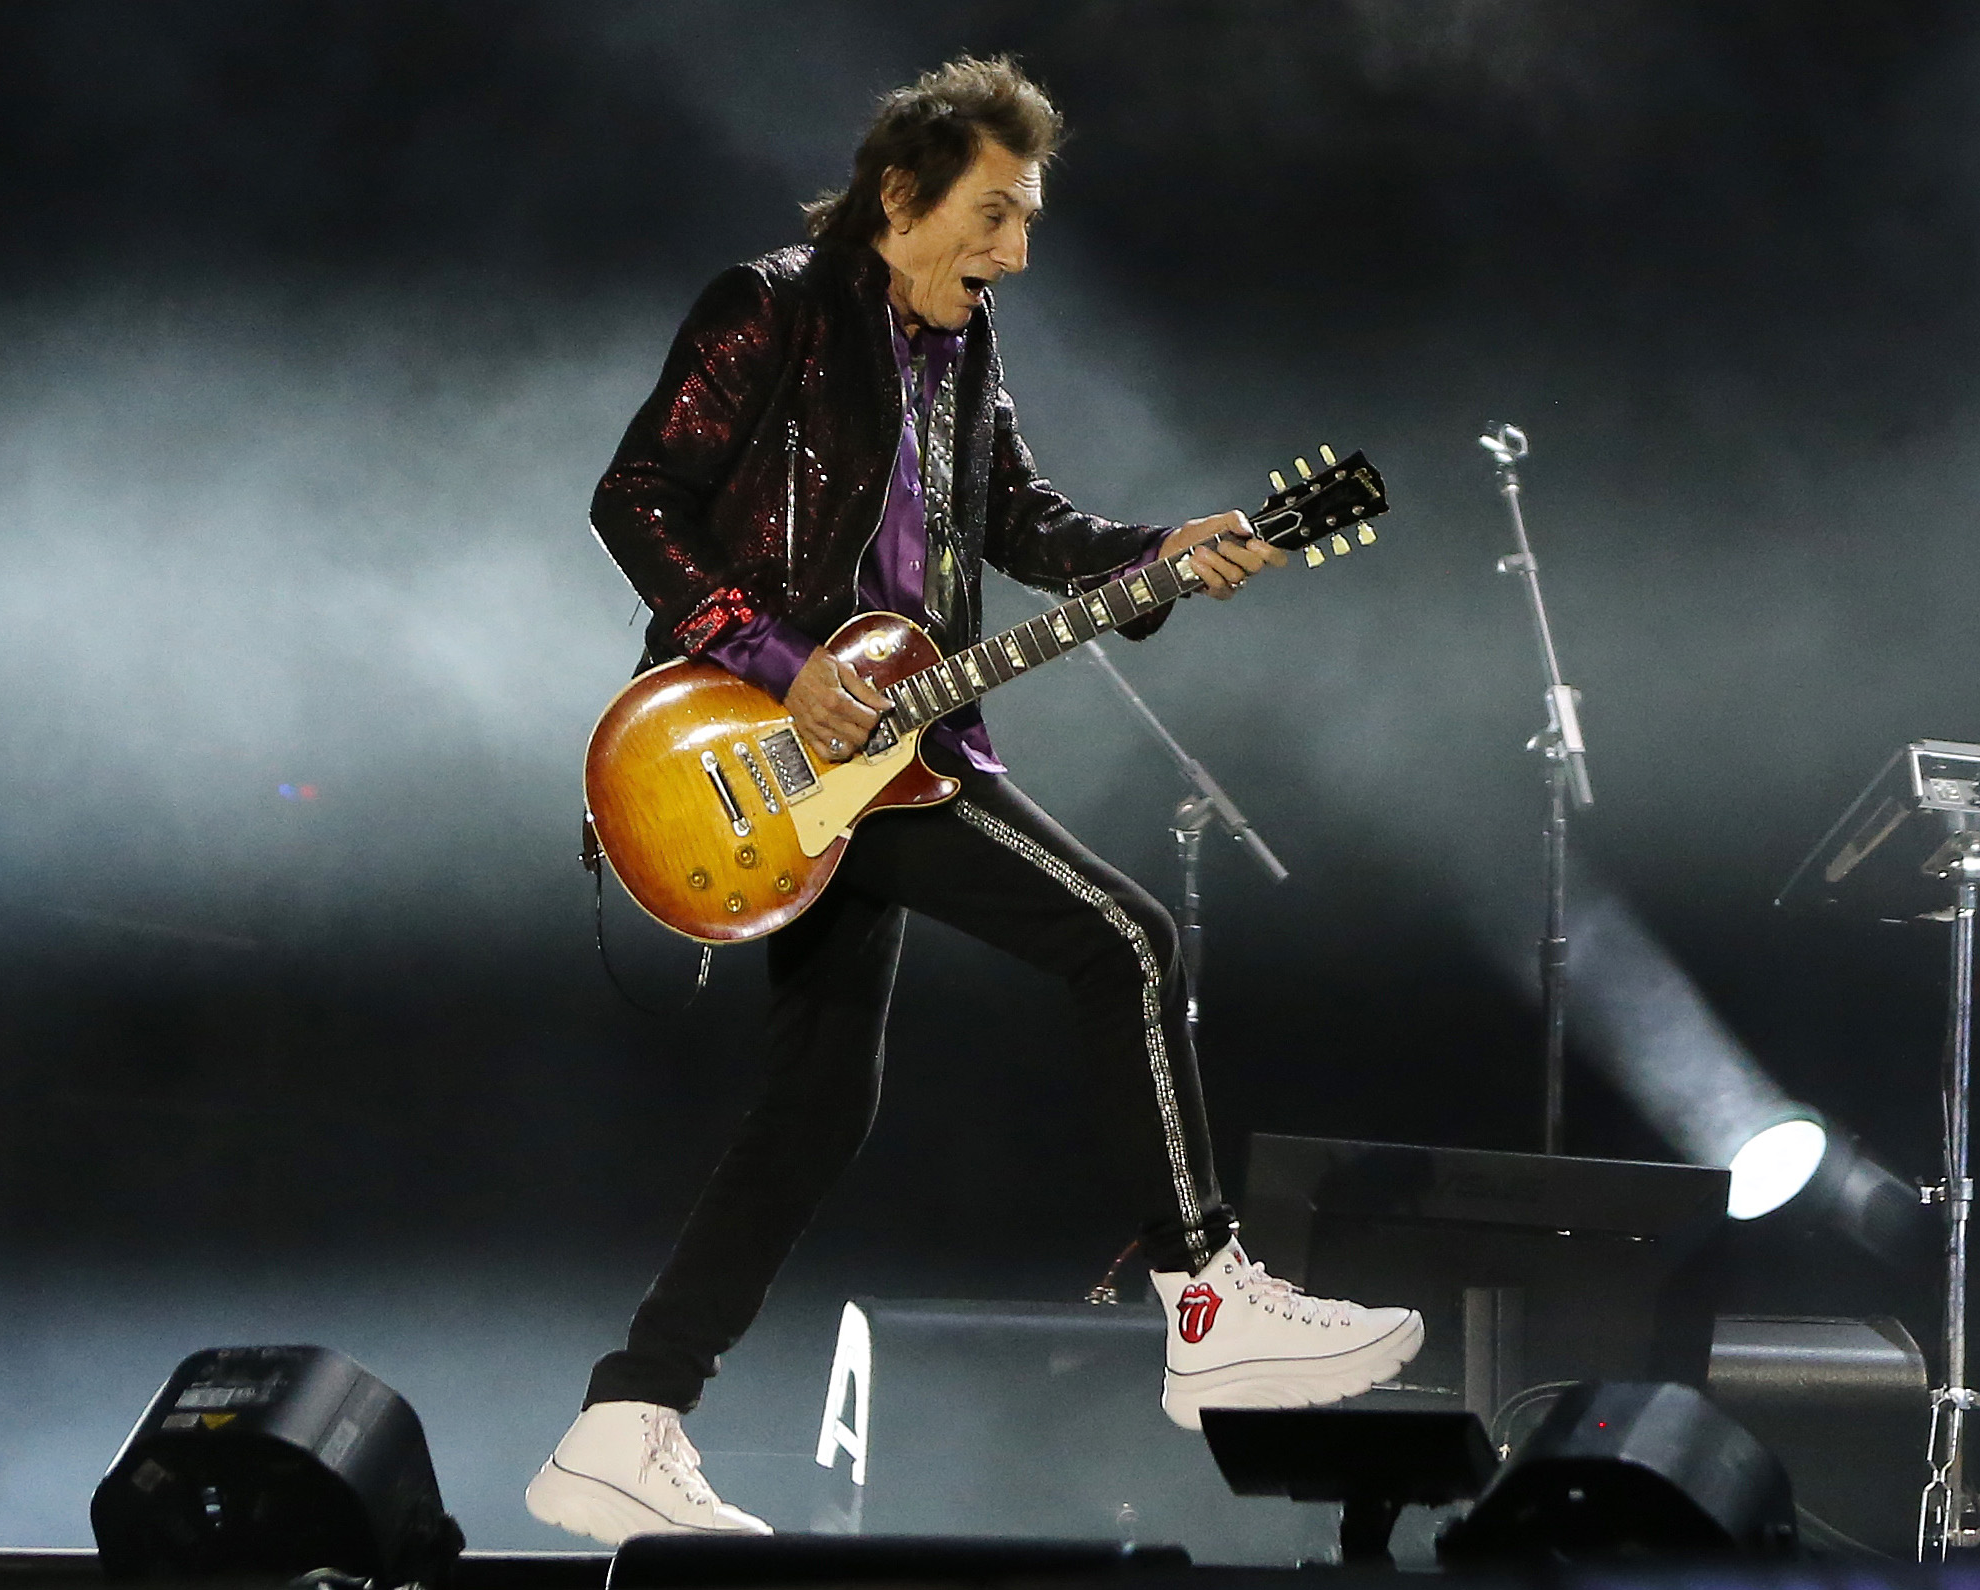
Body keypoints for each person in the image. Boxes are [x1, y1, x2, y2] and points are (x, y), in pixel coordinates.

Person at [525, 56, 1422, 1544]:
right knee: (1124, 941)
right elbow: (635, 497)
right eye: (993, 216)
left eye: (1025, 223)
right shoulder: (772, 306)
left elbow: (1020, 521)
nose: (1013, 252)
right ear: (899, 196)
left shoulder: (965, 343)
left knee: (817, 1105)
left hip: (889, 750)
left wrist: (1166, 552)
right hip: (759, 738)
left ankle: (627, 1419)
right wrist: (775, 657)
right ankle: (1207, 1299)